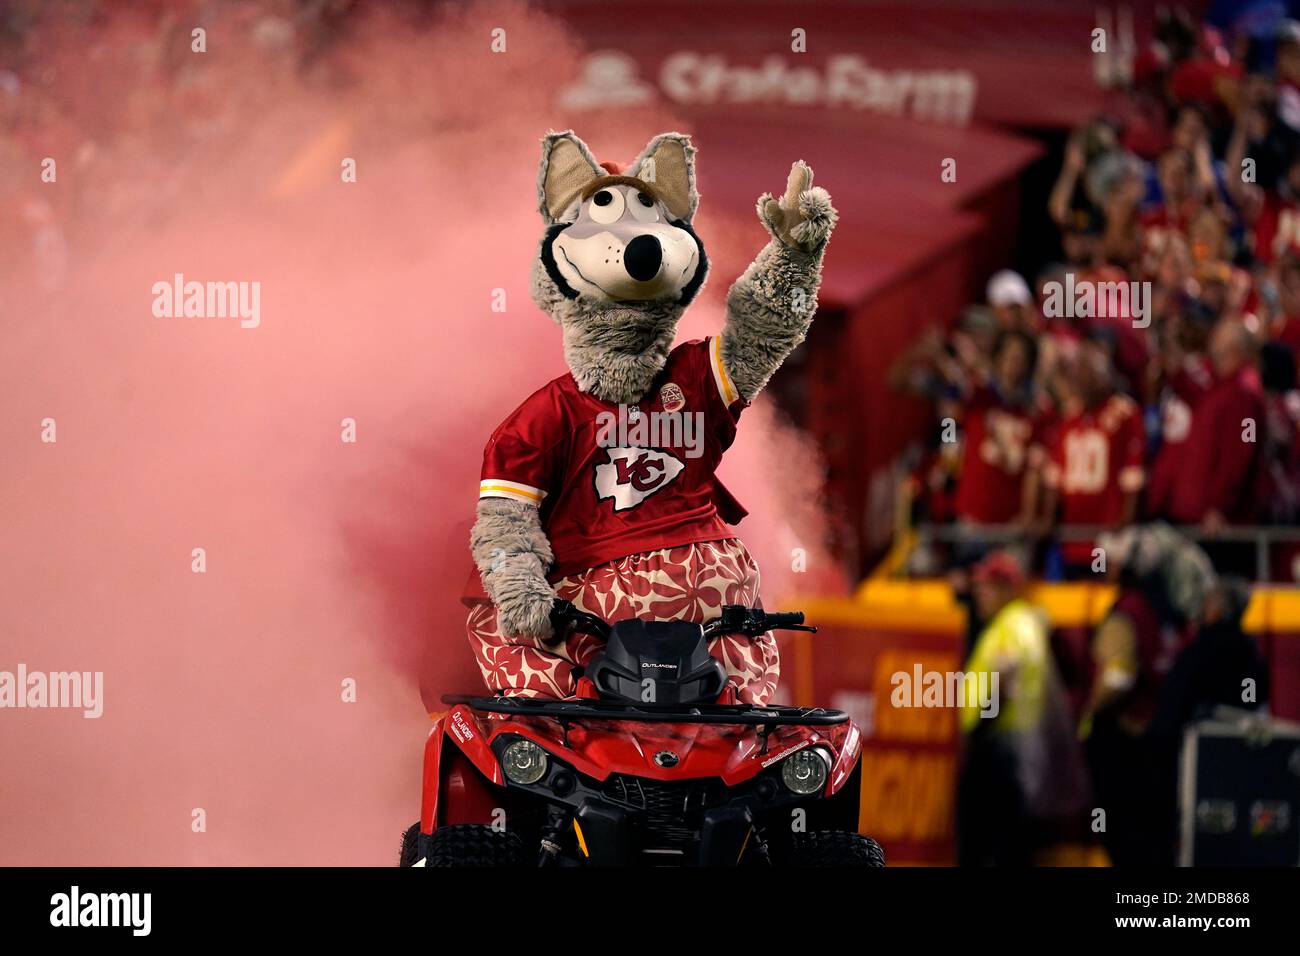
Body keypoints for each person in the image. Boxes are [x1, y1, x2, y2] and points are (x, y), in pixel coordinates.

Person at [957, 552, 1086, 866]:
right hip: (1016, 748)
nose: (979, 594)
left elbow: (1002, 682)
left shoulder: (1011, 626)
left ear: (1006, 588)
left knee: (990, 844)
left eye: (986, 587)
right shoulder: (1022, 623)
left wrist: (977, 730)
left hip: (1000, 749)